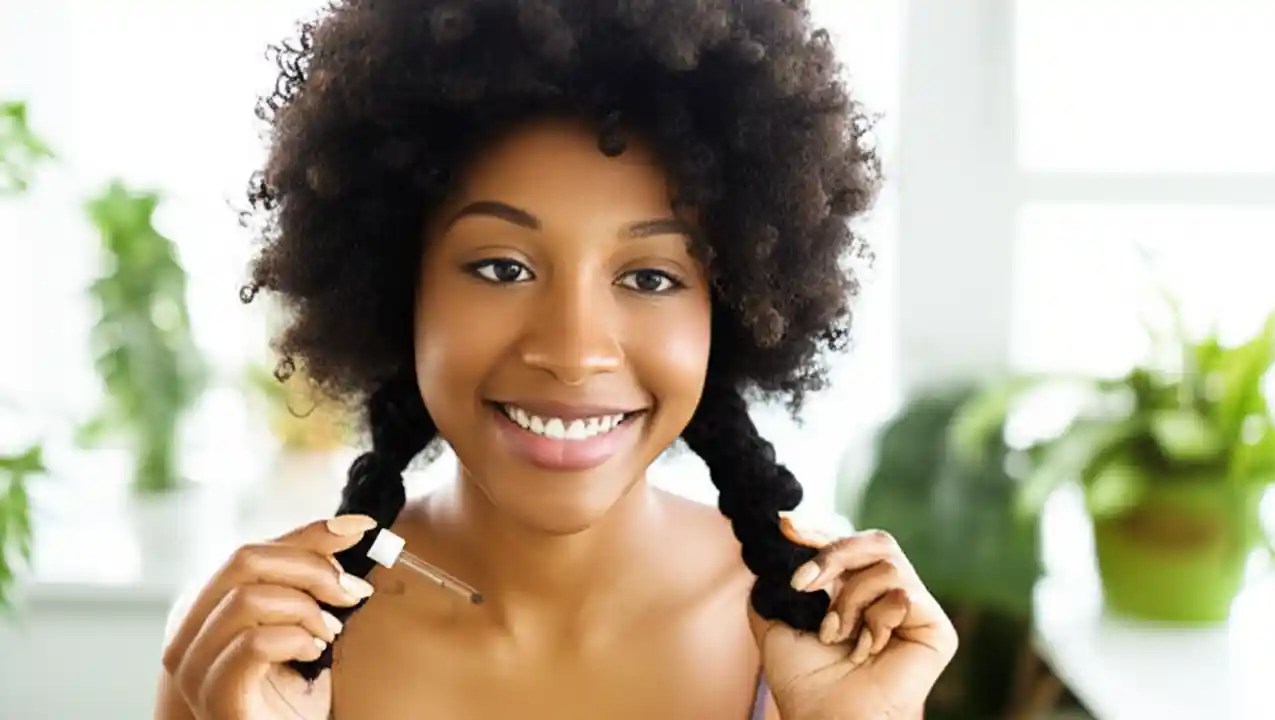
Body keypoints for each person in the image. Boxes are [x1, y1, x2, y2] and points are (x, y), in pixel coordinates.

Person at [155, 1, 957, 718]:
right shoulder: (258, 652)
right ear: (400, 286)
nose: (574, 354)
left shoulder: (819, 645)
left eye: (650, 278)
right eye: (502, 268)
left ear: (732, 306)